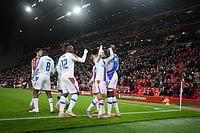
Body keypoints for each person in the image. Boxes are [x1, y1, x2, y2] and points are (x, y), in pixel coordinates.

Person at [57, 45, 88, 117]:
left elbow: (58, 68)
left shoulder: (61, 57)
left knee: (65, 94)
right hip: (69, 76)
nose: (73, 49)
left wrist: (61, 75)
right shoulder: (71, 55)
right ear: (70, 49)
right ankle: (69, 110)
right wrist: (85, 52)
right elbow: (82, 60)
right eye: (72, 48)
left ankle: (61, 112)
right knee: (76, 93)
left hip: (62, 76)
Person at [86, 45, 114, 119]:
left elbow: (112, 57)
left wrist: (110, 49)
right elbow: (99, 55)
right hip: (99, 80)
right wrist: (101, 47)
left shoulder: (105, 61)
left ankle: (100, 114)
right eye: (101, 52)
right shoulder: (97, 61)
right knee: (101, 96)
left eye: (103, 52)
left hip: (103, 81)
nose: (102, 53)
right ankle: (88, 109)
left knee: (103, 97)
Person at [29, 49, 55, 113]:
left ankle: (36, 109)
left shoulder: (42, 59)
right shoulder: (51, 60)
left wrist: (34, 77)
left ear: (43, 53)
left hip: (40, 75)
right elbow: (53, 72)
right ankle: (51, 108)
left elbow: (37, 68)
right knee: (48, 92)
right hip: (47, 77)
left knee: (35, 91)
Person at [106, 45, 120, 117]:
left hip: (111, 75)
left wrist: (110, 49)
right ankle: (117, 112)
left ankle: (108, 113)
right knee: (112, 95)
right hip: (114, 74)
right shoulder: (115, 56)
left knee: (109, 93)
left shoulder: (112, 56)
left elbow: (113, 66)